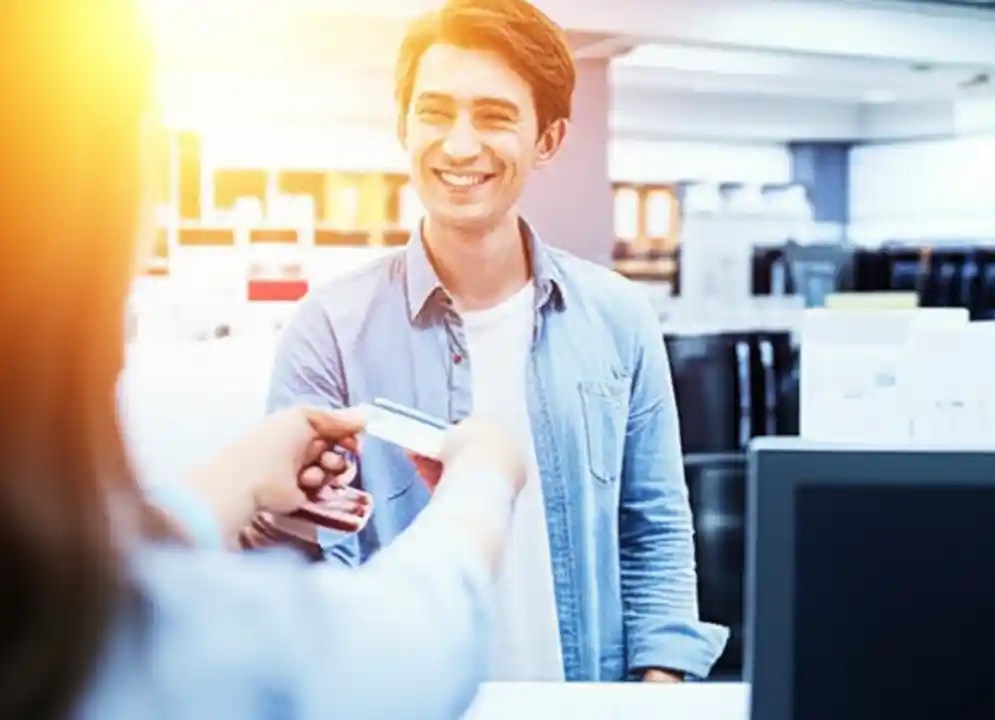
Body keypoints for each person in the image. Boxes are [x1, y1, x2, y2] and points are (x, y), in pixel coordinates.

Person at [1, 2, 527, 718]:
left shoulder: (52, 598)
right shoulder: (177, 648)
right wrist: (483, 480)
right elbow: (404, 649)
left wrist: (223, 488)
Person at [261, 0, 727, 683]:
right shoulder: (330, 328)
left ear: (548, 139)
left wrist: (656, 690)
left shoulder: (618, 318)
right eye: (435, 111)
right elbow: (299, 554)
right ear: (403, 125)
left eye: (495, 115)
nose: (458, 144)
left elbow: (654, 529)